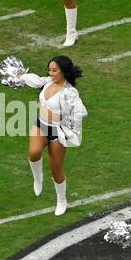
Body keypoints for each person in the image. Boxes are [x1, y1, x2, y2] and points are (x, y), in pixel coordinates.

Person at [16, 56, 87, 215]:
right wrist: (20, 76)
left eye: (54, 70)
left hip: (58, 132)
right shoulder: (47, 82)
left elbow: (82, 112)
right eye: (50, 70)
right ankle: (38, 178)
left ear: (63, 72)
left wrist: (62, 117)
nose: (51, 73)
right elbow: (34, 80)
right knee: (33, 153)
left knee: (56, 171)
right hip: (40, 125)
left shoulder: (70, 92)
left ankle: (61, 200)